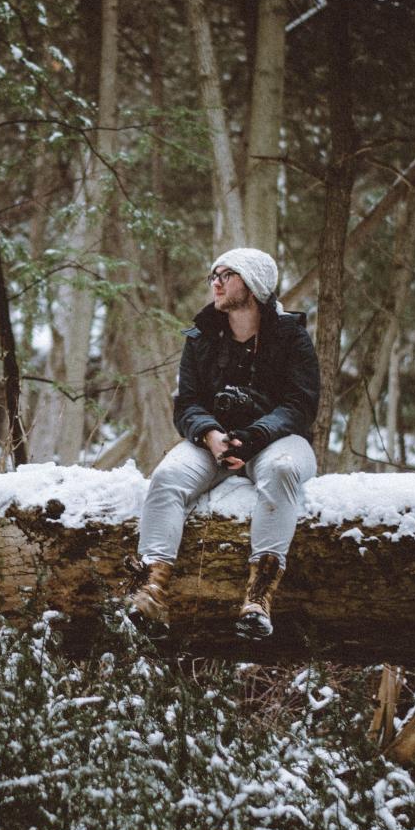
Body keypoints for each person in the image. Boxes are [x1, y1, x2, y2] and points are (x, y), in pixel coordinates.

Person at [126, 247, 320, 642]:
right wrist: (211, 435)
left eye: (226, 274)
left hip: (276, 440)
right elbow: (187, 403)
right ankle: (152, 590)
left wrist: (255, 437)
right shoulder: (201, 337)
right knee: (166, 478)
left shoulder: (291, 337)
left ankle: (258, 598)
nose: (215, 282)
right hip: (211, 440)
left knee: (281, 470)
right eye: (213, 274)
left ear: (253, 285)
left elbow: (300, 404)